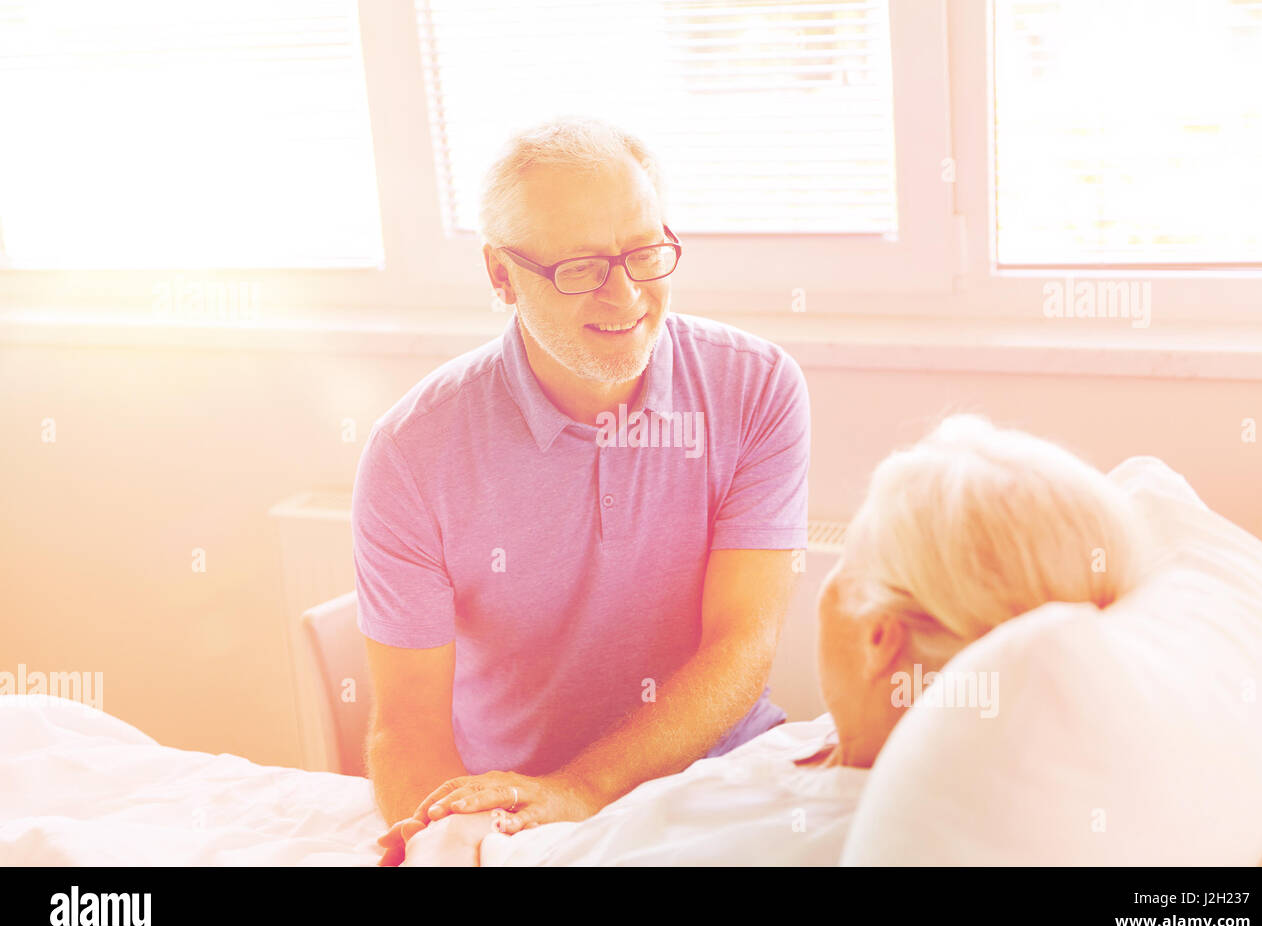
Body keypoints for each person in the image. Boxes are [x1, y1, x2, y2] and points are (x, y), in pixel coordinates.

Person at [387, 414, 1154, 866]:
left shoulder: (777, 843)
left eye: (847, 558)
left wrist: (457, 835)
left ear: (878, 636)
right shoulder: (838, 746)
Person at [356, 115, 812, 865]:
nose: (626, 295)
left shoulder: (757, 387)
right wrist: (447, 838)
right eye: (580, 268)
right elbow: (406, 726)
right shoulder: (412, 452)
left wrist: (584, 788)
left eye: (644, 253)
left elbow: (742, 645)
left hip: (718, 781)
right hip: (518, 810)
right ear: (501, 275)